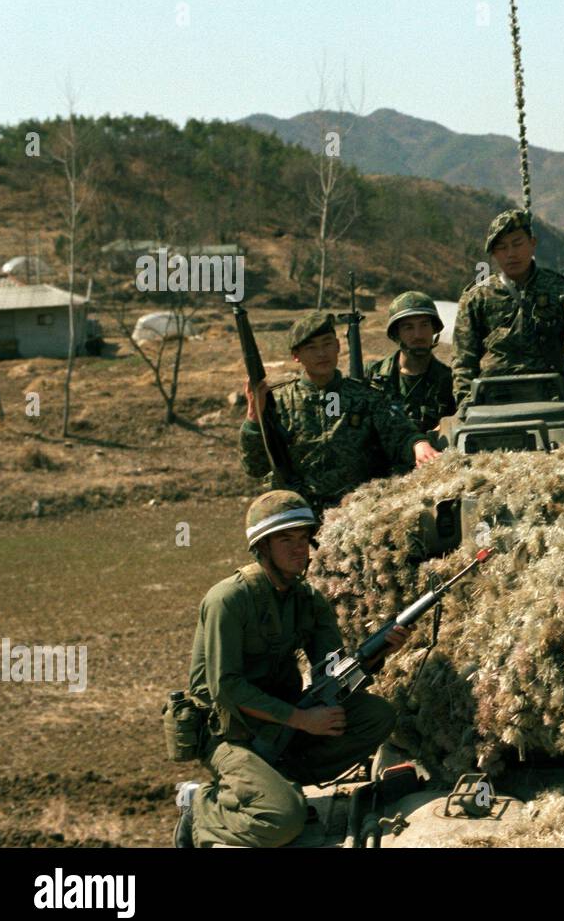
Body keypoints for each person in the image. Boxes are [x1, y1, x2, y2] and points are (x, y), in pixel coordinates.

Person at [176, 491, 406, 847]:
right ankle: (200, 808)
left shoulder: (308, 601)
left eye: (304, 539)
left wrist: (378, 653)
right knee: (282, 821)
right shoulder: (228, 600)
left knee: (375, 715)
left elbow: (331, 671)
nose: (301, 549)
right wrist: (303, 721)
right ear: (262, 547)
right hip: (230, 734)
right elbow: (227, 690)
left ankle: (276, 782)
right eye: (286, 540)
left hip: (282, 724)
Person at [239, 311, 429, 513]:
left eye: (327, 344)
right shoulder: (279, 403)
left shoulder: (366, 398)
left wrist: (418, 444)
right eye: (311, 348)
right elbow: (254, 467)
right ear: (296, 356)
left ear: (338, 347)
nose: (322, 353)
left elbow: (399, 435)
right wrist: (253, 418)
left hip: (358, 512)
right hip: (298, 517)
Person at [451, 208, 564, 410]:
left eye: (517, 244)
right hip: (495, 403)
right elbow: (463, 361)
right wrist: (467, 405)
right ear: (493, 254)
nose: (511, 254)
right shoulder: (477, 297)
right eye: (502, 248)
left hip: (551, 400)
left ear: (532, 244)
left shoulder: (558, 289)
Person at [365, 291, 455, 446]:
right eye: (408, 327)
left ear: (434, 329)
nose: (418, 335)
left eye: (424, 325)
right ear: (396, 334)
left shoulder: (449, 380)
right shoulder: (372, 376)